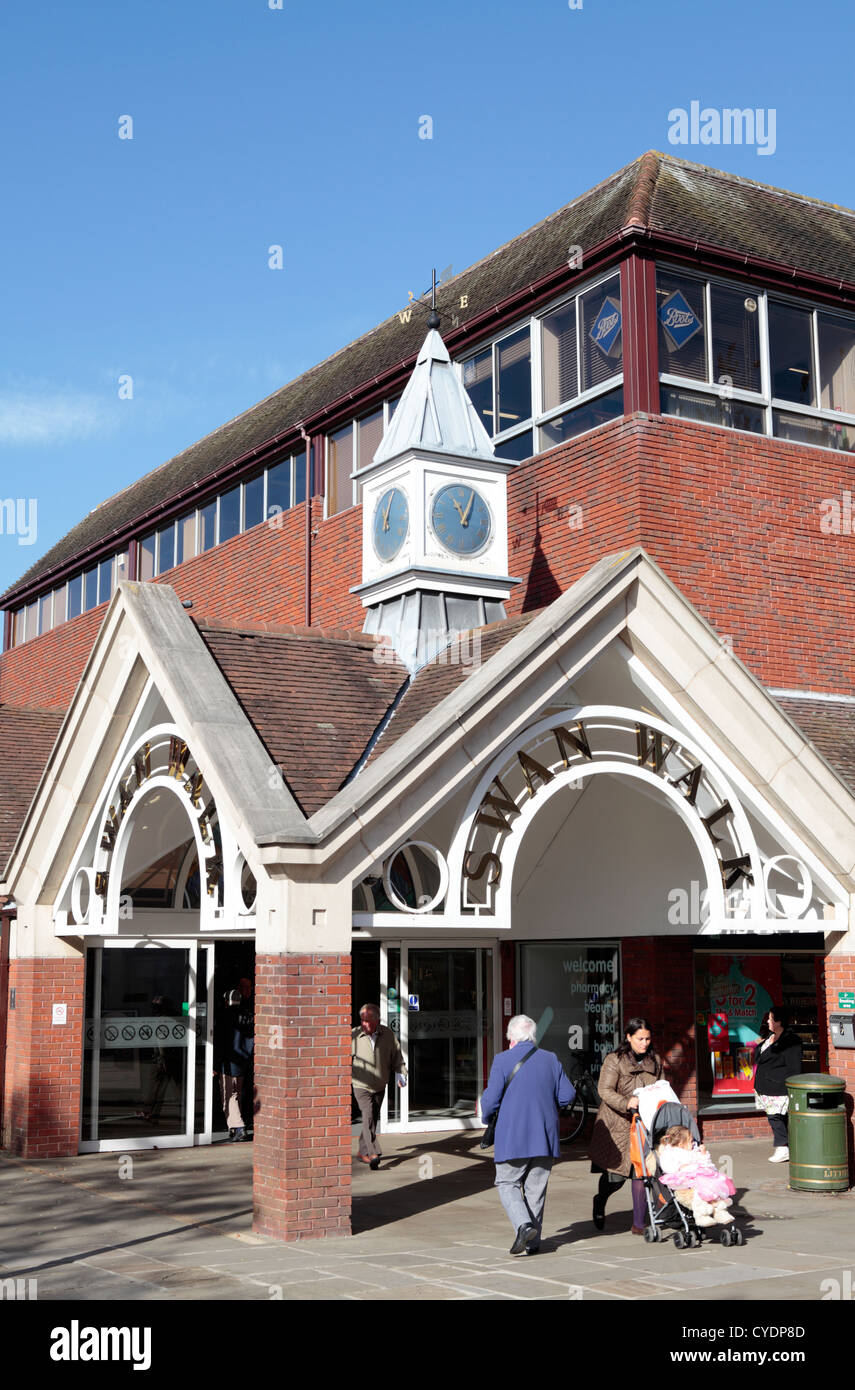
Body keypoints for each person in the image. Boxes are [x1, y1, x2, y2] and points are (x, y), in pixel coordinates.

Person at [479, 1014, 575, 1257]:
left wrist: (487, 1119)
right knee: (536, 1189)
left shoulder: (502, 1060)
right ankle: (533, 1243)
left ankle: (523, 1225)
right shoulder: (550, 1059)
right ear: (532, 1036)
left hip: (513, 1135)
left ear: (511, 1038)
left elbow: (490, 1101)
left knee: (507, 1182)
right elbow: (567, 1095)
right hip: (544, 1135)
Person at [589, 1017, 663, 1234]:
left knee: (641, 1172)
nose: (645, 1043)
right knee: (616, 1178)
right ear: (629, 1037)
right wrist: (626, 1102)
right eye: (640, 1039)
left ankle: (638, 1223)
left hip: (644, 1123)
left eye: (648, 1039)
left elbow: (662, 1087)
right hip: (618, 1124)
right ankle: (600, 1200)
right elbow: (604, 1090)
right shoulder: (615, 1060)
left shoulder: (655, 1060)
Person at [351, 1003, 406, 1170]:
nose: (364, 1024)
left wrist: (401, 1073)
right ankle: (373, 1153)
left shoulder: (387, 1034)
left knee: (372, 1119)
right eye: (362, 1020)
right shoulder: (354, 1035)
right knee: (367, 1116)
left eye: (368, 1021)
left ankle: (362, 1152)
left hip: (380, 1085)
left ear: (377, 1021)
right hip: (361, 1085)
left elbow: (396, 1055)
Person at [656, 1124, 735, 1226]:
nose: (693, 1143)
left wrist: (703, 1154)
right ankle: (701, 1216)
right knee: (699, 1193)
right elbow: (667, 1167)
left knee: (715, 1186)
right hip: (682, 1179)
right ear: (681, 1144)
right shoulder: (669, 1153)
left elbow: (707, 1165)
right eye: (690, 1141)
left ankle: (720, 1212)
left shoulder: (694, 1151)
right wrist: (680, 1167)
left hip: (700, 1178)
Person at [754, 1006, 803, 1162]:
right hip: (765, 1086)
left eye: (771, 1018)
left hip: (778, 1086)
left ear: (779, 1021)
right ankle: (788, 1147)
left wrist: (786, 1083)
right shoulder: (770, 1036)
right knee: (776, 1116)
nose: (768, 1021)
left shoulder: (791, 1041)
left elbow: (794, 1067)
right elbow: (760, 1056)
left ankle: (782, 1148)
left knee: (775, 1116)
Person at [215, 978, 255, 1141]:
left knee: (229, 1096)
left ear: (227, 1001)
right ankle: (233, 1127)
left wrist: (215, 1064)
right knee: (236, 1094)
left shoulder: (225, 1016)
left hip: (229, 1062)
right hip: (243, 1062)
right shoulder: (248, 1015)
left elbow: (221, 1042)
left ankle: (238, 1127)